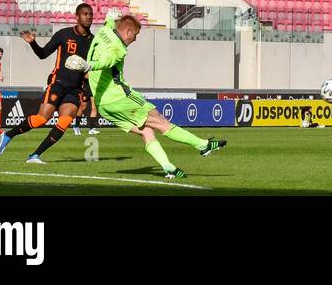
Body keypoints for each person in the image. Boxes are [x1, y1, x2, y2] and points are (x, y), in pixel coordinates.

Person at [64, 11, 225, 178]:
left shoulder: (105, 30)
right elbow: (106, 60)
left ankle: (168, 167)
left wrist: (111, 15)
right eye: (135, 34)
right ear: (127, 32)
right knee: (162, 122)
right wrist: (88, 66)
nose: (135, 39)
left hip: (102, 104)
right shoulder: (118, 49)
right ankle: (203, 145)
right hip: (121, 98)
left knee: (146, 131)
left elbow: (110, 21)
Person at [0, 3, 94, 162]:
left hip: (75, 89)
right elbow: (43, 54)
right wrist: (33, 43)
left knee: (65, 120)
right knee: (42, 119)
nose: (89, 17)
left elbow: (92, 67)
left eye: (90, 14)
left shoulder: (93, 41)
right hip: (58, 82)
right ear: (77, 16)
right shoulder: (64, 34)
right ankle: (8, 134)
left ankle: (35, 155)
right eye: (85, 14)